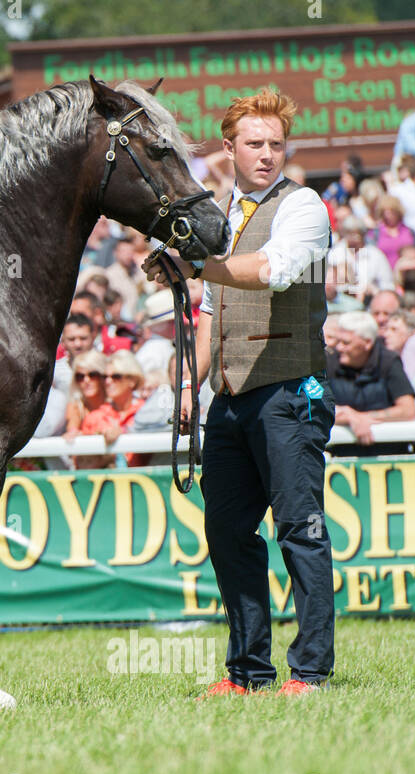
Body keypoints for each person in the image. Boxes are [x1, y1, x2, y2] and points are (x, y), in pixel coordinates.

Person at [144, 88, 333, 696]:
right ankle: (248, 672)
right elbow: (211, 311)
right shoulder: (221, 217)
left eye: (277, 144)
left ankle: (310, 671)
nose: (268, 154)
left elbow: (273, 271)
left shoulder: (304, 206)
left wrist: (193, 263)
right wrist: (186, 386)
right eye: (255, 143)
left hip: (288, 393)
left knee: (299, 529)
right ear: (229, 149)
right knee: (227, 533)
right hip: (228, 398)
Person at [326, 311, 415, 456]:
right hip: (340, 458)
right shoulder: (329, 362)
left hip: (387, 457)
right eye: (338, 341)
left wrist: (364, 418)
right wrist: (350, 417)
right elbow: (315, 405)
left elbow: (408, 410)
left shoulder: (389, 362)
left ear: (367, 342)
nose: (339, 348)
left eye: (346, 343)